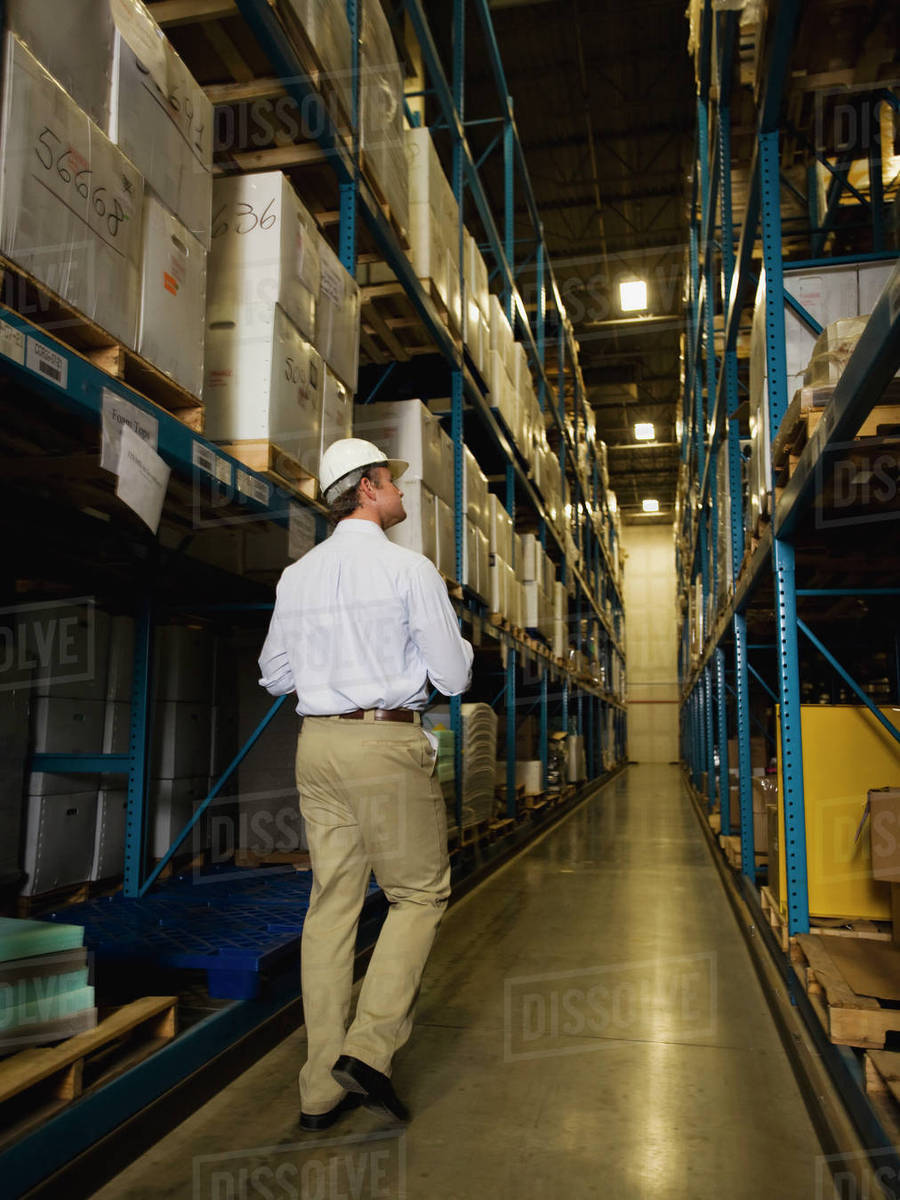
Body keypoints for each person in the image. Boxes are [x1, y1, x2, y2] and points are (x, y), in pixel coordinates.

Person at [258, 436, 473, 1131]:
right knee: (418, 893)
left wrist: (331, 669)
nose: (404, 494)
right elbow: (455, 678)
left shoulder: (298, 576)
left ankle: (318, 1089)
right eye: (397, 482)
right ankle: (368, 1049)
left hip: (316, 744)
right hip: (383, 741)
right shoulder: (410, 570)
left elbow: (275, 675)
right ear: (372, 486)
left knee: (331, 907)